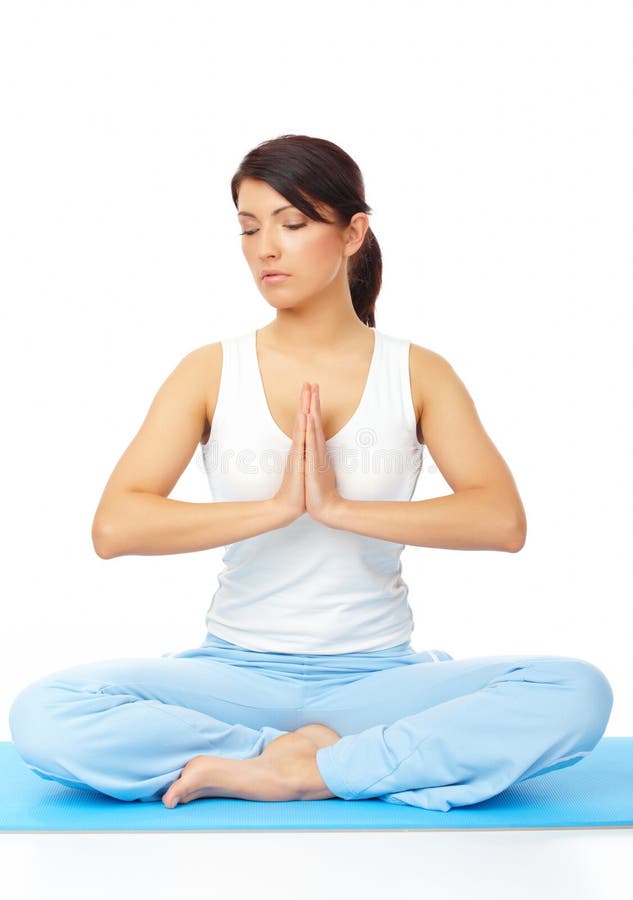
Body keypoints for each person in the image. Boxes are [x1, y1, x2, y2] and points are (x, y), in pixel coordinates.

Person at [8, 134, 613, 812]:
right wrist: (276, 506)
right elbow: (116, 526)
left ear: (353, 233)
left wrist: (336, 508)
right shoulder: (209, 370)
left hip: (377, 681)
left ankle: (301, 766)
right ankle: (291, 755)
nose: (265, 247)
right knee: (45, 711)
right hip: (232, 674)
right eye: (247, 227)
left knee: (574, 691)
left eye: (292, 224)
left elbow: (500, 522)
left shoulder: (417, 372)